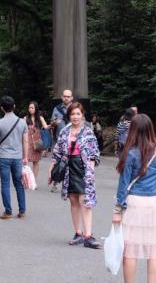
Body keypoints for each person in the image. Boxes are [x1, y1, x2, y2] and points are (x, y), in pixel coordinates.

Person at [112, 114, 156, 283]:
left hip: (134, 202)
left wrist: (117, 209)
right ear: (150, 129)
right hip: (153, 202)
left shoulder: (131, 154)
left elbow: (124, 184)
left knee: (130, 250)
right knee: (154, 249)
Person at [49, 101, 102, 249]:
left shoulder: (88, 132)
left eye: (78, 114)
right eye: (73, 114)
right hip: (68, 167)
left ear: (82, 115)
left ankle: (88, 236)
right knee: (73, 199)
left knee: (84, 200)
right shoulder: (65, 132)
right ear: (69, 115)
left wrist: (90, 171)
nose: (75, 116)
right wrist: (51, 168)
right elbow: (58, 151)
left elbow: (95, 154)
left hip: (83, 167)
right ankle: (78, 233)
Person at [0, 95, 28, 220]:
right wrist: (26, 157)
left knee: (5, 184)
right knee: (19, 184)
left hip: (3, 157)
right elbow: (25, 141)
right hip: (17, 157)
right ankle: (22, 211)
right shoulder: (22, 122)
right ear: (14, 106)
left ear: (2, 108)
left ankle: (8, 211)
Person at [25, 101, 49, 188]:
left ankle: (34, 182)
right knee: (26, 162)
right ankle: (27, 181)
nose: (30, 109)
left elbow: (46, 127)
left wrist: (52, 124)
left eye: (32, 108)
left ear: (36, 109)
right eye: (29, 108)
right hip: (27, 142)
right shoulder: (25, 118)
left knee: (36, 162)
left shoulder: (40, 118)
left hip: (37, 143)